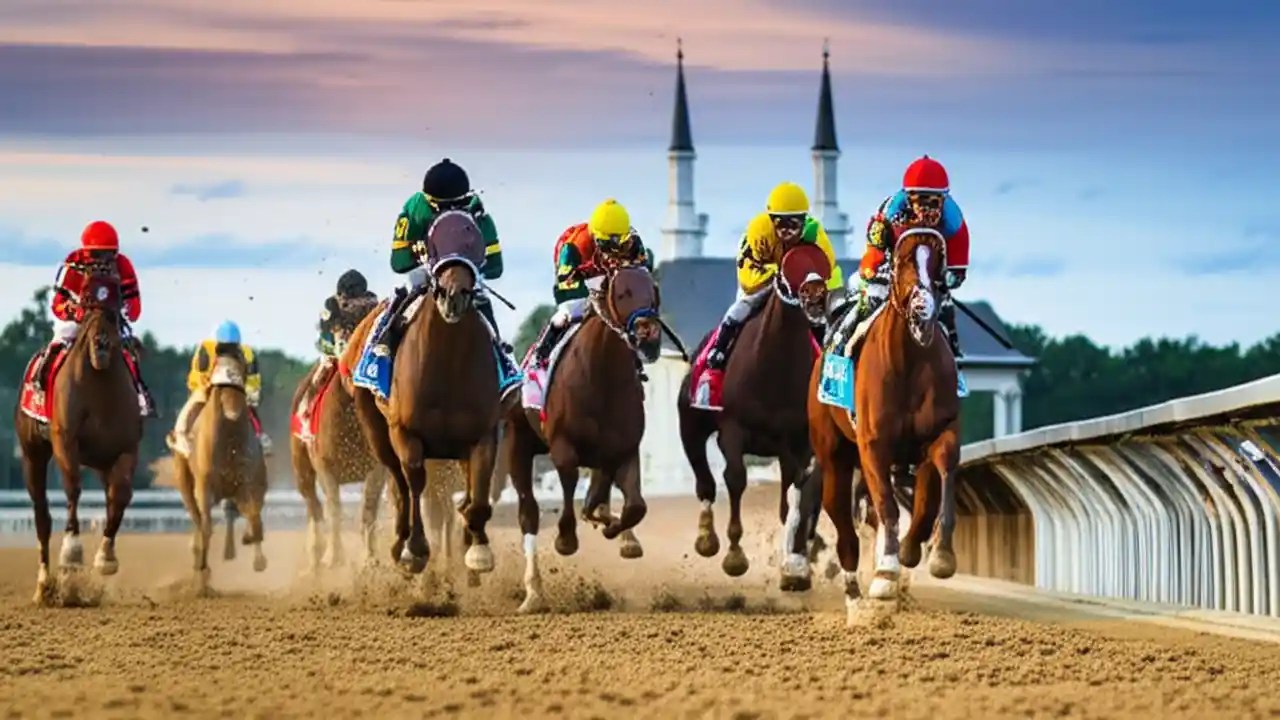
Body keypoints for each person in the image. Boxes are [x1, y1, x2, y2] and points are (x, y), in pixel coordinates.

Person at [692, 182, 844, 405]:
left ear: (805, 220)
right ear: (770, 220)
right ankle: (715, 361)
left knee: (829, 322)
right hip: (761, 281)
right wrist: (780, 275)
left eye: (794, 222)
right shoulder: (758, 234)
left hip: (801, 286)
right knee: (738, 310)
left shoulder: (817, 239)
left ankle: (834, 373)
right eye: (780, 222)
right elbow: (748, 280)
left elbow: (827, 273)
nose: (787, 230)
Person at [369, 157, 517, 379]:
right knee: (408, 289)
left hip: (464, 272)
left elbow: (495, 267)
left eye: (457, 205)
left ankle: (500, 349)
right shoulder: (415, 209)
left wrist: (471, 267)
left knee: (480, 296)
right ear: (429, 200)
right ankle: (386, 337)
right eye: (442, 207)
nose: (451, 211)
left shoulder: (477, 211)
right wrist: (422, 258)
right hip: (425, 269)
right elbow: (398, 263)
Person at [844, 154, 971, 396]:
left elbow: (957, 269)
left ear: (944, 201)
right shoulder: (888, 215)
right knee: (867, 303)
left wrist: (950, 280)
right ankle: (843, 349)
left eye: (933, 203)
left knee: (945, 308)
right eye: (919, 201)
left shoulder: (954, 223)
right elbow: (873, 256)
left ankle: (954, 361)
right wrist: (873, 271)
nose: (926, 210)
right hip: (889, 274)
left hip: (928, 281)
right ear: (908, 200)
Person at [29, 220, 154, 417]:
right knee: (59, 342)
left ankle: (139, 393)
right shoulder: (73, 263)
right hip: (77, 318)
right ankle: (41, 388)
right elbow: (57, 304)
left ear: (116, 253)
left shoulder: (124, 266)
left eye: (108, 254)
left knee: (128, 352)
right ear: (86, 252)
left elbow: (134, 306)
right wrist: (77, 313)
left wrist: (126, 310)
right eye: (96, 255)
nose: (102, 261)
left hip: (109, 317)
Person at [529, 198, 653, 366]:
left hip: (610, 276)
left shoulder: (631, 241)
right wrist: (595, 297)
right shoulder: (574, 247)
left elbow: (643, 270)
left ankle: (637, 352)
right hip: (579, 282)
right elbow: (566, 283)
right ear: (596, 237)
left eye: (619, 243)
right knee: (569, 312)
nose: (614, 250)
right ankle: (542, 353)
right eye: (608, 244)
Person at [167, 321, 271, 456]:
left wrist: (251, 394)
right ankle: (181, 434)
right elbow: (199, 373)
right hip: (209, 387)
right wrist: (205, 387)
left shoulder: (246, 353)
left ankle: (259, 435)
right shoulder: (208, 348)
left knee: (250, 408)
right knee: (195, 402)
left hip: (237, 389)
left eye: (231, 348)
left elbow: (253, 379)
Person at [296, 269, 378, 434]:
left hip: (358, 351)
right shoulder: (371, 303)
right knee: (319, 376)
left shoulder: (368, 305)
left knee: (318, 379)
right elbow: (326, 334)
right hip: (347, 352)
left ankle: (306, 414)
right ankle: (307, 413)